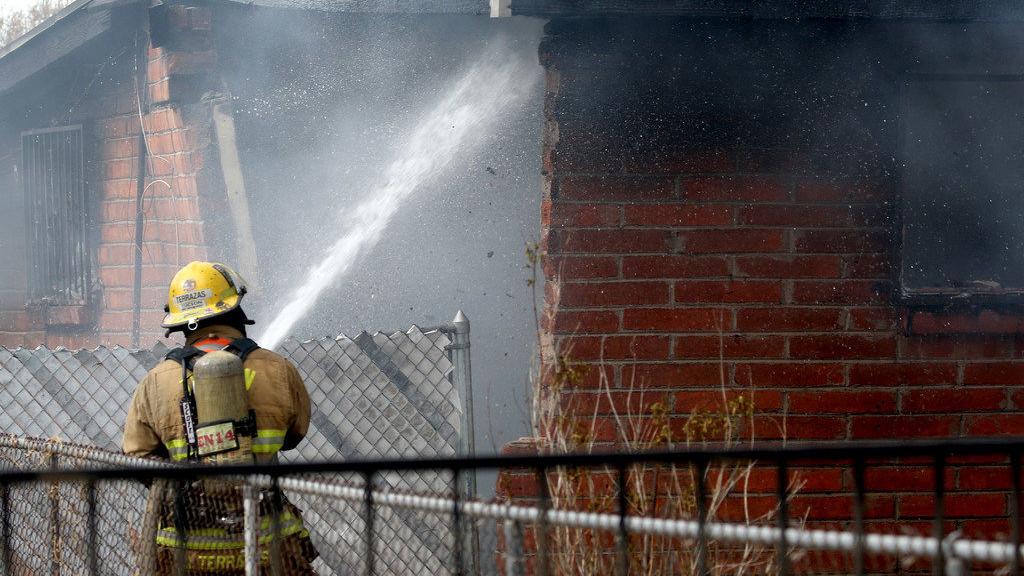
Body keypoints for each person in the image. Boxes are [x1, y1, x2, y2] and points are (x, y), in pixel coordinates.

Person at [123, 261, 318, 574]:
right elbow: (295, 435)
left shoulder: (156, 380)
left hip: (184, 551)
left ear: (181, 324)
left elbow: (138, 458)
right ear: (234, 310)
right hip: (268, 546)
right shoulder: (278, 369)